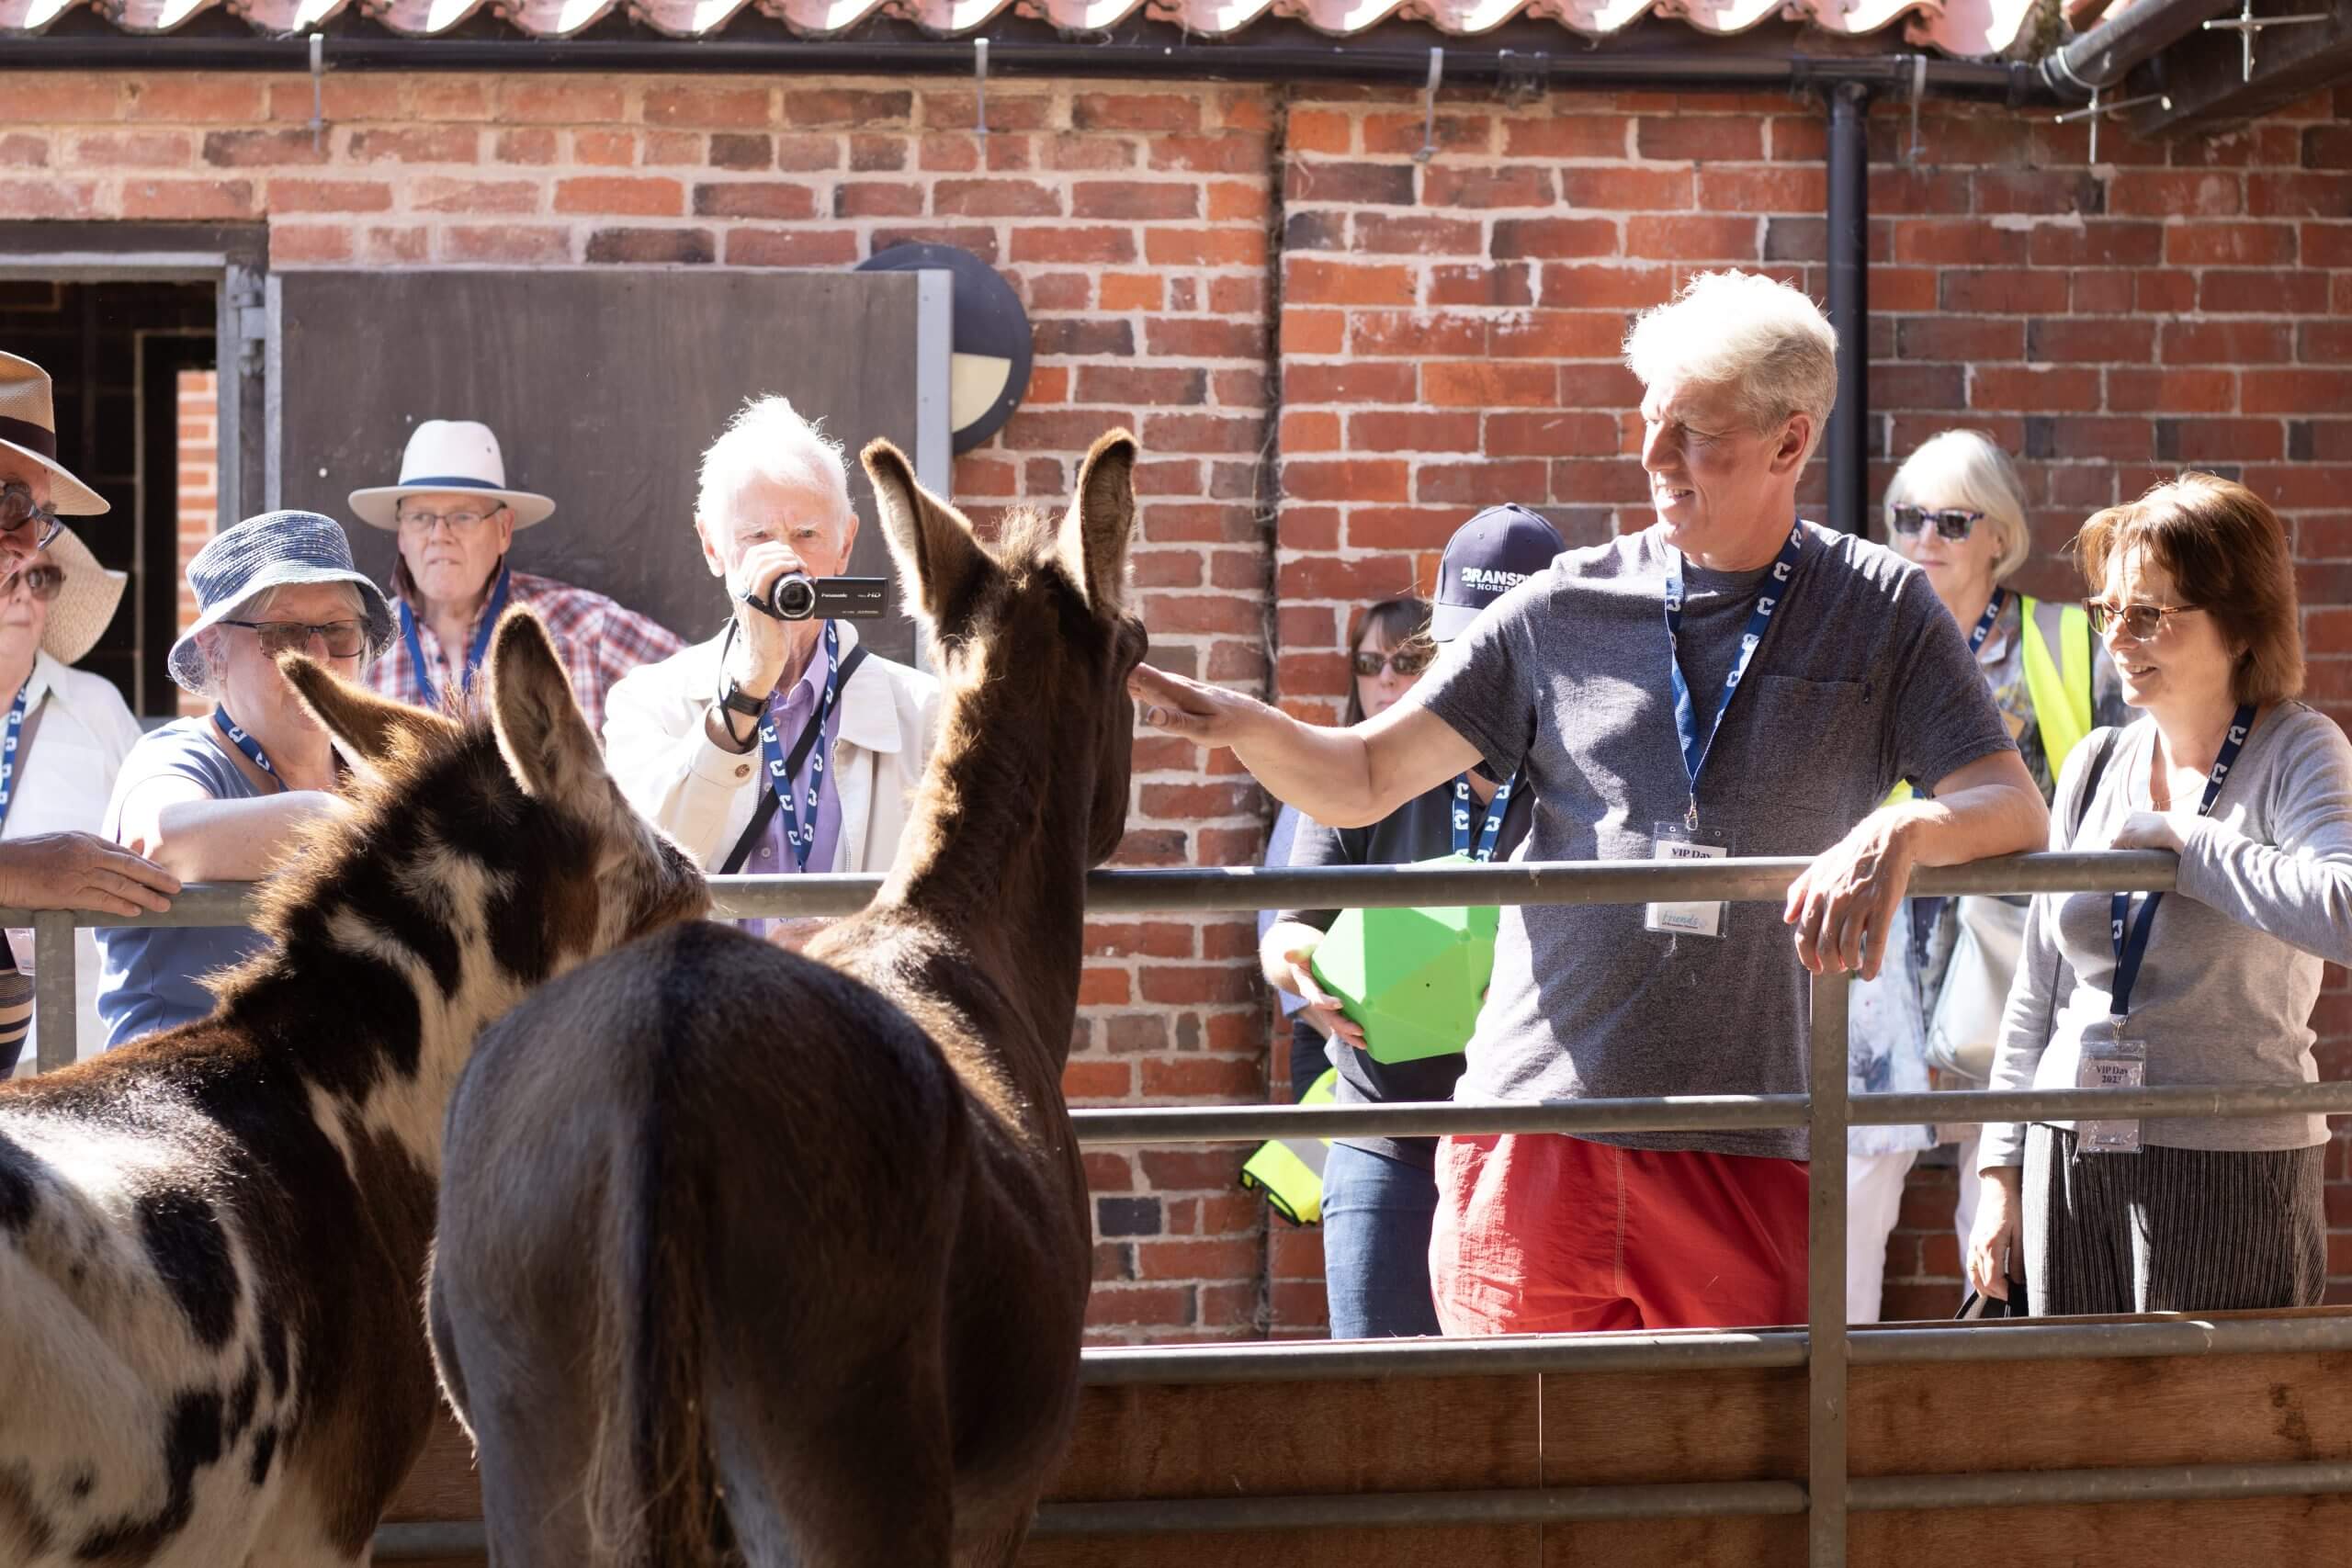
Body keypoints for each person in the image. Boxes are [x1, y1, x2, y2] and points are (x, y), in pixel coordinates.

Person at [1133, 269, 2047, 1334]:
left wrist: (1905, 822)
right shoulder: (1563, 599)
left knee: (1724, 1486)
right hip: (1535, 1137)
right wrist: (1249, 726)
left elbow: (2009, 806)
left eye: (1690, 435)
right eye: (1648, 423)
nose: (1652, 460)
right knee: (1515, 1481)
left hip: (1745, 1144)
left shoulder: (1876, 606)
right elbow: (1368, 774)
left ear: (1790, 444)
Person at [1969, 475, 2352, 1315]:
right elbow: (2039, 985)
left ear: (2240, 621)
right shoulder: (2097, 760)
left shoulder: (2299, 749)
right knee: (2072, 1425)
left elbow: (2342, 909)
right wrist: (1999, 1169)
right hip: (2069, 1147)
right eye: (2109, 610)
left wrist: (2192, 844)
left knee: (2215, 1431)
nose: (2118, 636)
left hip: (2227, 1155)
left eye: (2151, 614)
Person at [1843, 430, 2132, 1322]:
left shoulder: (2067, 642)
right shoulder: (1863, 647)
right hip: (1883, 963)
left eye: (1950, 521)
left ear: (1997, 536)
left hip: (2011, 961)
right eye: (1906, 519)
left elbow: (2128, 779)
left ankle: (1993, 1410)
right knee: (1853, 1188)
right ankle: (1825, 1407)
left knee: (2001, 1196)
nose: (1923, 538)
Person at [1262, 505, 1563, 1339]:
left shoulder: (1592, 780)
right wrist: (1305, 971)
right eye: (1474, 642)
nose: (1494, 667)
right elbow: (1288, 930)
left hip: (1539, 1147)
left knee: (1523, 1424)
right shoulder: (1371, 757)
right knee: (1377, 1402)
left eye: (1519, 642)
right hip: (1385, 1135)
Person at [604, 397, 938, 948]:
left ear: (846, 545)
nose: (786, 561)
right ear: (713, 547)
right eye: (757, 538)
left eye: (808, 534)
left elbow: (959, 906)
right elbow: (640, 881)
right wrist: (748, 686)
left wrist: (847, 945)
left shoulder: (927, 713)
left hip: (856, 1020)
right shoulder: (646, 703)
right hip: (706, 1020)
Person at [96, 510, 393, 1045]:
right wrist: (345, 823)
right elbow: (160, 836)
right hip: (182, 1095)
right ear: (214, 651)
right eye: (283, 633)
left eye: (338, 630)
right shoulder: (180, 754)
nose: (318, 656)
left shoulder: (372, 775)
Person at [352, 419, 684, 736]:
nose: (439, 535)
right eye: (420, 517)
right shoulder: (362, 651)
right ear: (401, 535)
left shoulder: (585, 629)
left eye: (463, 517)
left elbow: (708, 690)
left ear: (504, 530)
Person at [0, 353, 178, 939]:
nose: (28, 546)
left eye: (42, 517)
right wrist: (22, 873)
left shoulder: (94, 705)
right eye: (8, 503)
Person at [0, 525, 146, 1077]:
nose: (22, 592)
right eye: (9, 573)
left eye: (40, 577)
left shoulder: (97, 705)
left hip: (73, 1042)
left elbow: (151, 849)